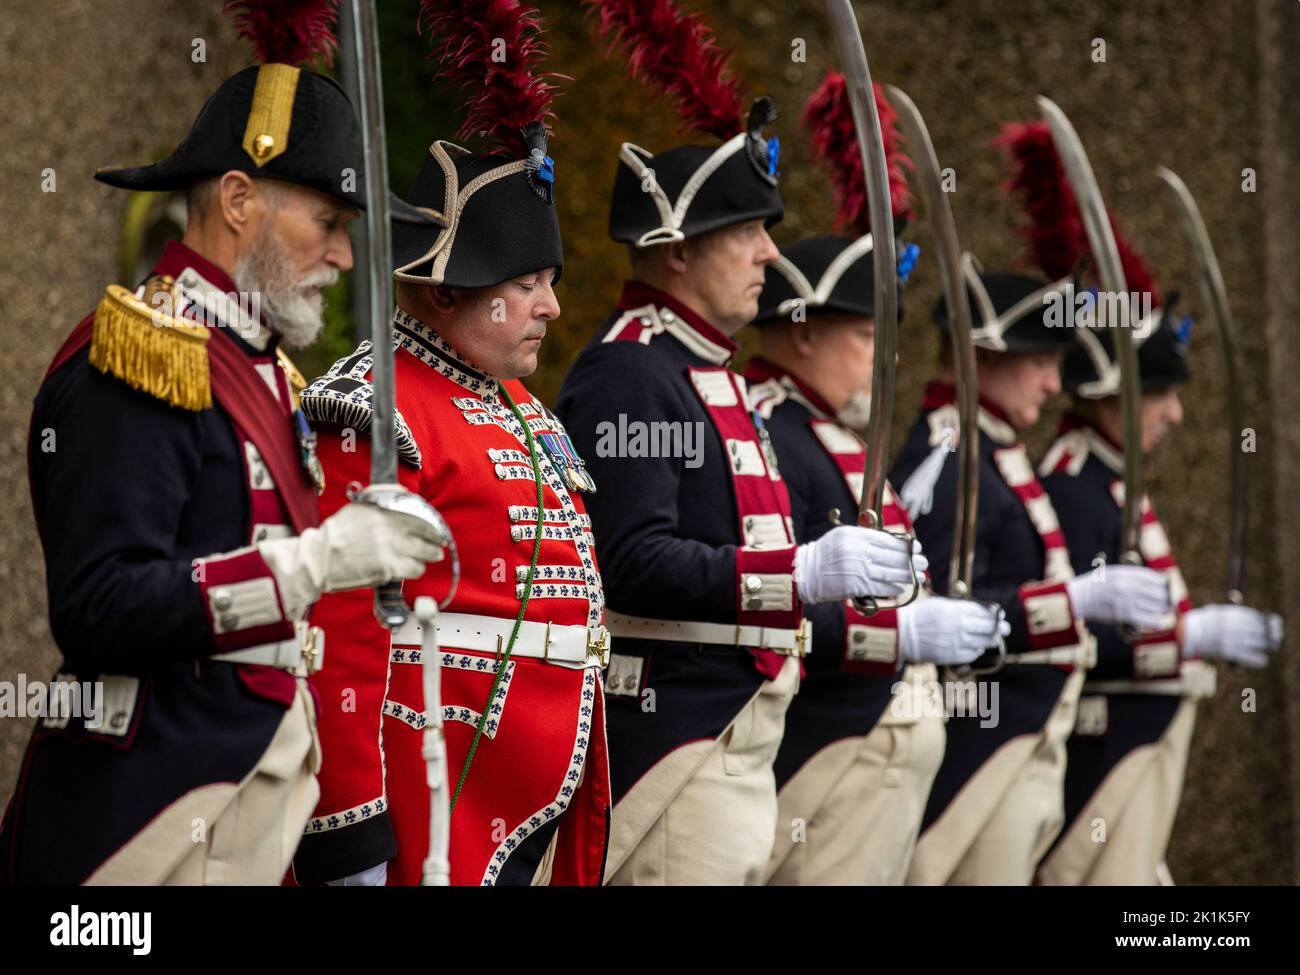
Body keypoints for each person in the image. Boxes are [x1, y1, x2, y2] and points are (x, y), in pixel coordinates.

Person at [0, 13, 444, 885]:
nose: (349, 255)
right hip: (151, 809)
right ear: (239, 199)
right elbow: (96, 607)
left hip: (253, 800)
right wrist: (315, 561)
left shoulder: (257, 364)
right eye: (327, 220)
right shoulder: (144, 348)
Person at [557, 7, 924, 884]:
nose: (768, 251)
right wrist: (799, 574)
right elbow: (633, 561)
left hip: (741, 734)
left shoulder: (700, 371)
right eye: (746, 232)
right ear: (676, 251)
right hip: (676, 737)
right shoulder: (629, 372)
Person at [293, 3, 610, 887]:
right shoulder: (372, 405)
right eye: (523, 283)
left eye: (549, 282)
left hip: (532, 796)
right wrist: (347, 829)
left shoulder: (523, 407)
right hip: (432, 799)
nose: (549, 306)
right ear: (442, 294)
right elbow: (341, 634)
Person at [744, 73, 1003, 885]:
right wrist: (903, 633)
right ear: (803, 333)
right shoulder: (769, 431)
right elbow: (766, 606)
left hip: (889, 744)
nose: (884, 357)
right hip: (826, 749)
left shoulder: (832, 432)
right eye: (864, 334)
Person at [1035, 254, 1283, 886]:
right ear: (1113, 393)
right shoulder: (1071, 485)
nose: (1174, 414)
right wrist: (1189, 638)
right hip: (1104, 759)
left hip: (1141, 749)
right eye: (1160, 393)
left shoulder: (1110, 481)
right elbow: (1076, 637)